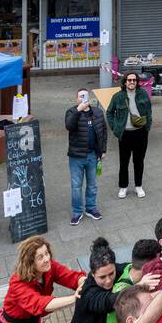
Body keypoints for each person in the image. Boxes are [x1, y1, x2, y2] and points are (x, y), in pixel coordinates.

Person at [65, 88, 107, 226]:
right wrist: (78, 110)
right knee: (76, 186)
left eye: (85, 96)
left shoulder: (98, 112)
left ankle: (91, 208)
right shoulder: (72, 112)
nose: (83, 98)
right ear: (76, 99)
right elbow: (69, 126)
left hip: (93, 155)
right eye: (80, 96)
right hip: (76, 156)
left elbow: (103, 132)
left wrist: (103, 151)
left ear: (89, 98)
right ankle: (77, 212)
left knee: (93, 185)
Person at [108, 71, 152, 199]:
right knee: (124, 162)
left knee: (139, 161)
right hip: (125, 134)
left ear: (137, 82)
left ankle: (138, 186)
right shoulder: (118, 96)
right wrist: (115, 127)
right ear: (125, 82)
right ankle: (123, 187)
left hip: (141, 133)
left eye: (134, 80)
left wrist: (148, 126)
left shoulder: (143, 94)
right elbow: (109, 113)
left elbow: (149, 110)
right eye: (129, 80)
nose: (132, 82)